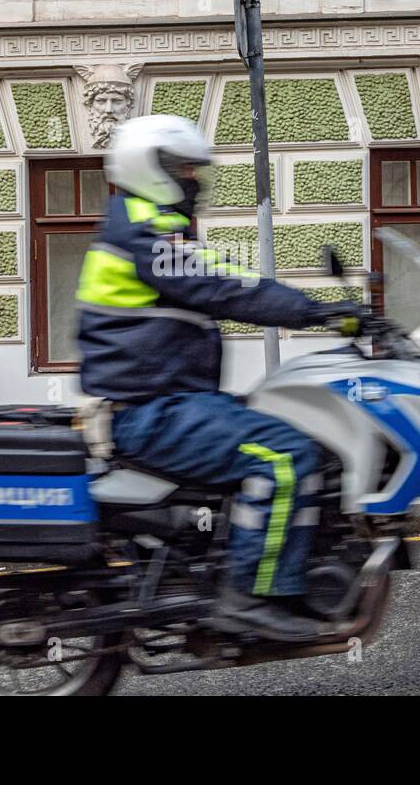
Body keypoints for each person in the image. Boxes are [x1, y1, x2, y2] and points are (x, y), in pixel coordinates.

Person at [76, 115, 362, 642]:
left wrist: (319, 310)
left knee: (290, 431)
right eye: (183, 167)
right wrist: (317, 312)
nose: (194, 178)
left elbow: (221, 279)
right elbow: (222, 288)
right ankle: (251, 597)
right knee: (284, 456)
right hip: (155, 411)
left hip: (169, 401)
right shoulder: (143, 229)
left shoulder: (152, 227)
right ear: (152, 168)